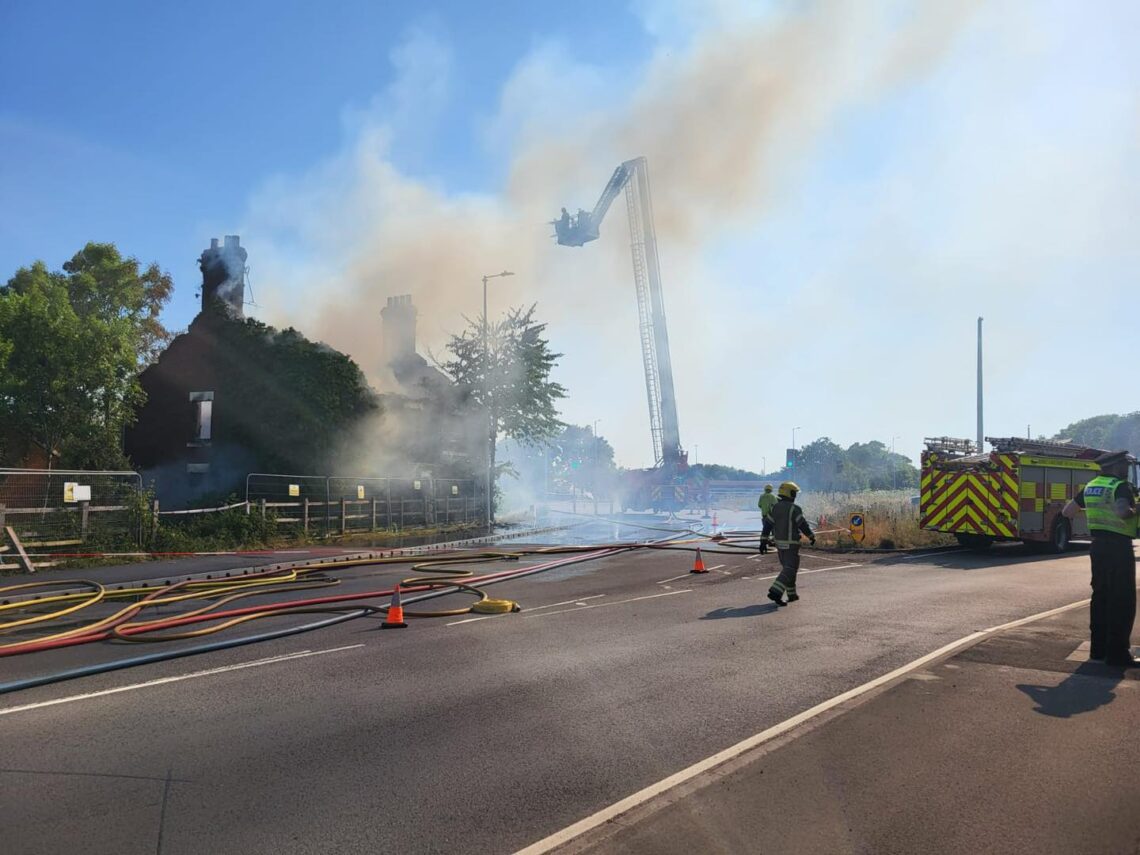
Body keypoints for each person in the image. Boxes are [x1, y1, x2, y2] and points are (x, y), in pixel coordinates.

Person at [1062, 450, 1138, 667]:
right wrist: (1136, 509)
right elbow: (1123, 512)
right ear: (1115, 466)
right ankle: (1118, 654)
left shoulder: (1091, 486)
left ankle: (1098, 650)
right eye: (1124, 465)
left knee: (1100, 597)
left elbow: (1067, 512)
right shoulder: (1120, 486)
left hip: (1097, 548)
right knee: (1122, 600)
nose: (1126, 468)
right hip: (1119, 548)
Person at [762, 481, 814, 606]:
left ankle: (792, 595)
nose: (795, 495)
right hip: (791, 544)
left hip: (779, 544)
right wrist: (811, 536)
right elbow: (802, 524)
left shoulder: (775, 508)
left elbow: (768, 525)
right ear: (790, 493)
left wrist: (763, 540)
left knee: (788, 569)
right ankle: (775, 592)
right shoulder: (794, 509)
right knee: (790, 569)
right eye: (794, 493)